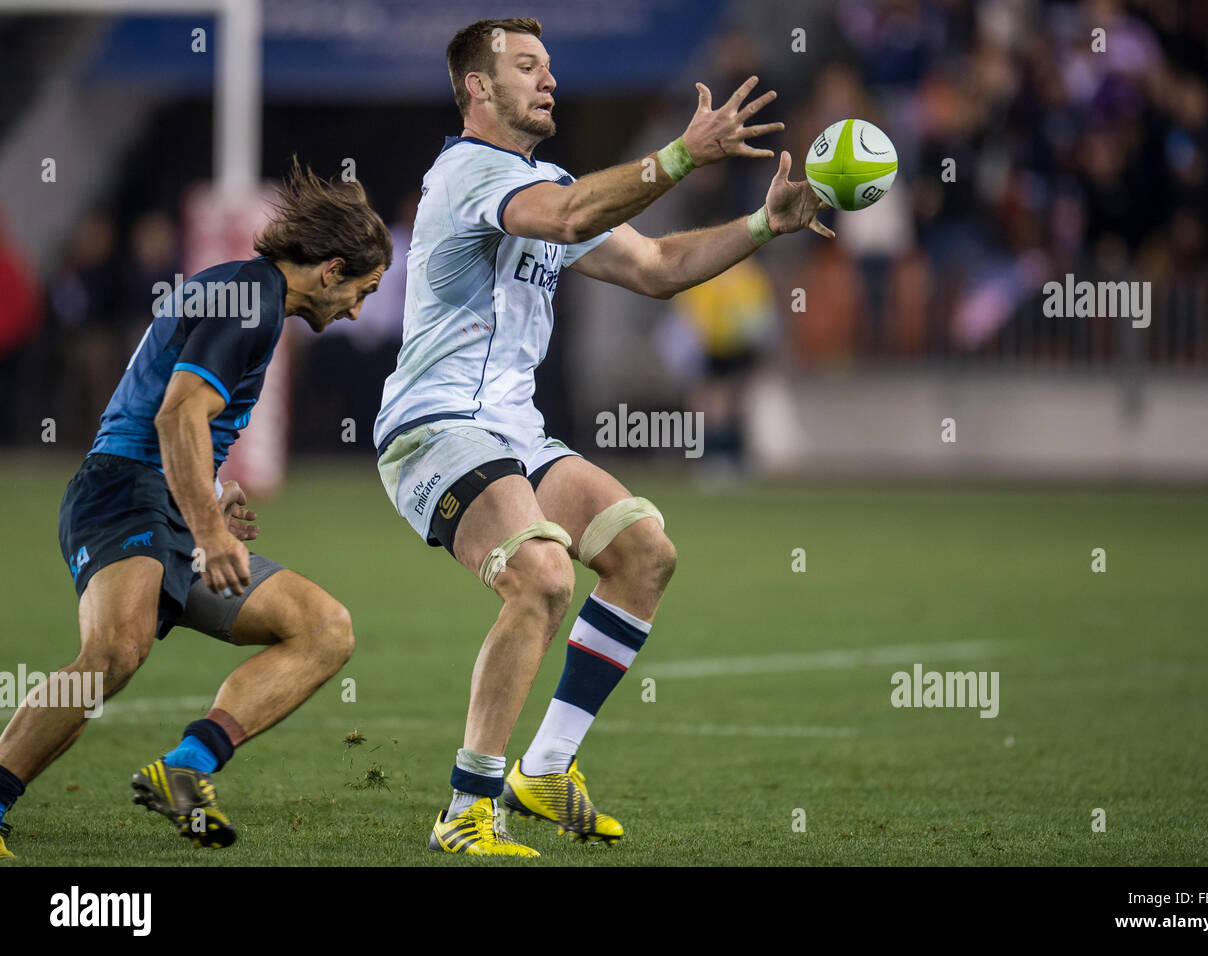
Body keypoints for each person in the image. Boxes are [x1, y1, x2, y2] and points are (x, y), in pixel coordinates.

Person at [374, 17, 832, 857]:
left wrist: (765, 226)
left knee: (644, 552)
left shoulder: (541, 180)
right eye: (524, 66)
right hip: (435, 428)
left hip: (512, 433)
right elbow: (569, 212)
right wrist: (682, 155)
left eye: (549, 64)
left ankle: (545, 768)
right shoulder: (472, 173)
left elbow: (656, 269)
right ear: (478, 88)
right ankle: (465, 809)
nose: (547, 79)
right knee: (543, 579)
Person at [0, 160, 391, 860]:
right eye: (363, 290)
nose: (359, 310)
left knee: (323, 630)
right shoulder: (251, 296)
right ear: (331, 270)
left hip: (163, 500)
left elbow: (178, 415)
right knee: (114, 653)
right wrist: (210, 534)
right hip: (122, 489)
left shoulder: (250, 295)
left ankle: (186, 767)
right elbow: (177, 414)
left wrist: (205, 493)